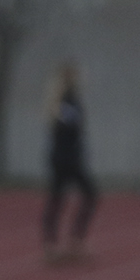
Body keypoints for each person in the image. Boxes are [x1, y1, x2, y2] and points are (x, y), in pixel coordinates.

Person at [42, 60, 96, 263]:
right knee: (62, 198)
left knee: (61, 199)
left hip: (70, 157)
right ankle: (58, 242)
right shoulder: (62, 101)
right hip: (64, 159)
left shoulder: (71, 100)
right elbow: (66, 127)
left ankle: (68, 240)